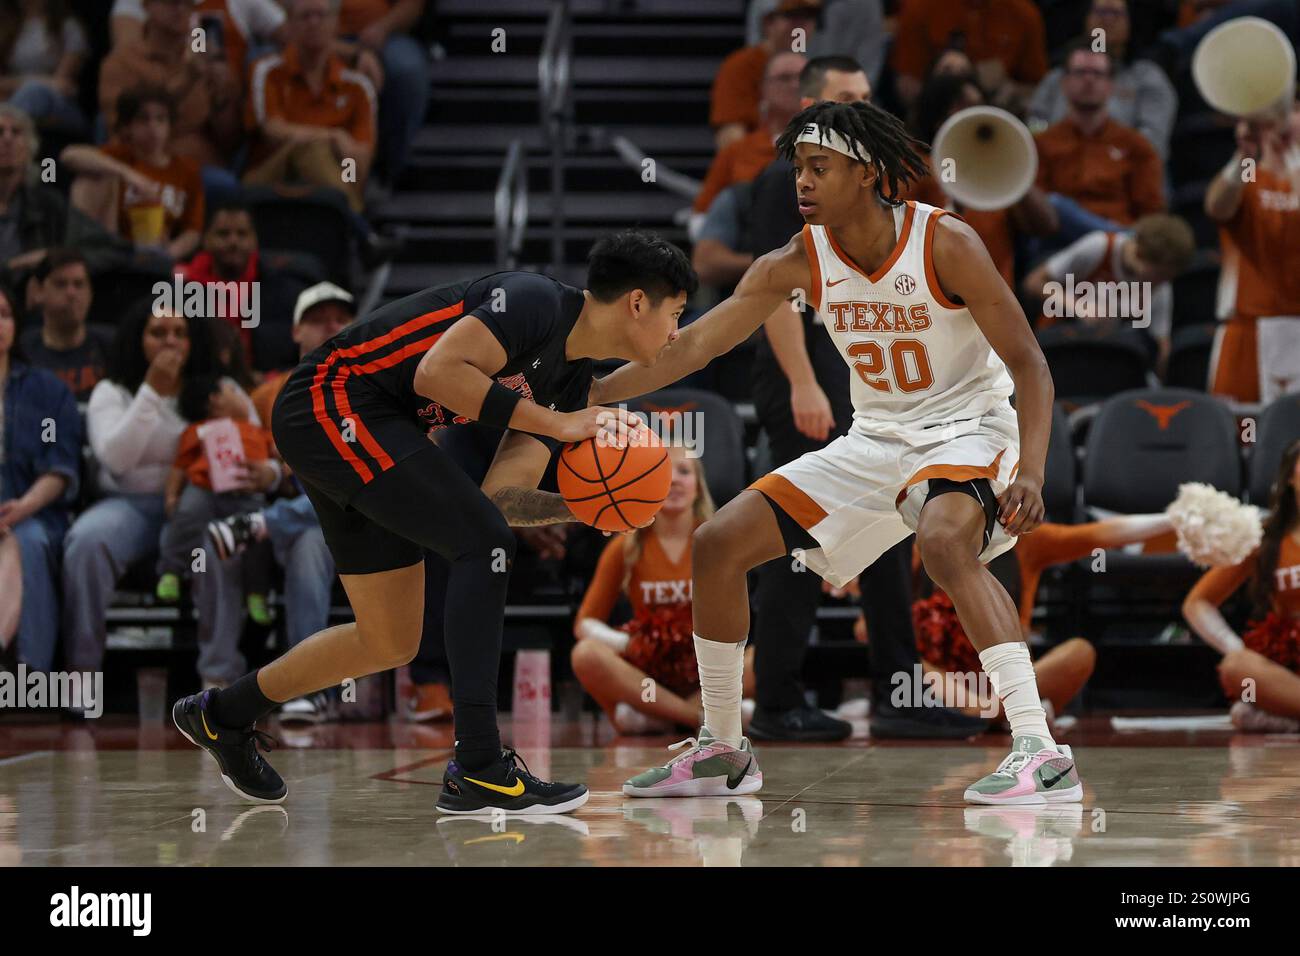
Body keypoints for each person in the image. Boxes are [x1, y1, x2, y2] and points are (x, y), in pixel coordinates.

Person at [594, 99, 1079, 805]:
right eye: (798, 168)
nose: (803, 182)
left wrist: (1031, 470)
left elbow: (1031, 363)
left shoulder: (945, 243)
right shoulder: (798, 258)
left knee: (944, 542)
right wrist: (592, 393)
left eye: (820, 167)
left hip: (969, 429)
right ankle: (723, 749)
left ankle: (1039, 750)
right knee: (717, 542)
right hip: (876, 439)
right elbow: (696, 343)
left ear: (868, 173)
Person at [171, 230, 693, 814]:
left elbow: (500, 499)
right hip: (332, 401)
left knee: (389, 638)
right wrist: (559, 426)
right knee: (483, 546)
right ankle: (479, 765)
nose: (675, 334)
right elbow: (436, 374)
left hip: (369, 425)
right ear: (638, 302)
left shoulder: (569, 383)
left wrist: (585, 506)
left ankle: (222, 715)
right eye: (676, 315)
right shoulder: (531, 301)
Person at [745, 55, 982, 742]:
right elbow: (774, 298)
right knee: (792, 538)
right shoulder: (781, 183)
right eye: (846, 99)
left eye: (868, 98)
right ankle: (776, 701)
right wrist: (803, 384)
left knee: (889, 536)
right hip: (807, 380)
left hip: (865, 388)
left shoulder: (873, 193)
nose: (863, 111)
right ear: (809, 112)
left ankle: (897, 693)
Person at [61, 304, 250, 680]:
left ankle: (218, 680)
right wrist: (151, 392)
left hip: (200, 507)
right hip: (128, 505)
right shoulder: (111, 392)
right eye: (158, 332)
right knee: (86, 542)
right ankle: (82, 673)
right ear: (137, 339)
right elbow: (116, 459)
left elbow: (260, 450)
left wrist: (242, 417)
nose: (171, 342)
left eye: (180, 333)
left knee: (219, 550)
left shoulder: (221, 390)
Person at [206, 281, 351, 723]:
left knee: (339, 507)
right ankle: (237, 685)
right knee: (298, 541)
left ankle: (264, 523)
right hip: (300, 515)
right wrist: (274, 472)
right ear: (295, 332)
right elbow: (243, 463)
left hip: (361, 519)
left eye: (340, 318)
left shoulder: (375, 386)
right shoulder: (266, 396)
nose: (330, 326)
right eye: (317, 319)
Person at [572, 446, 757, 734]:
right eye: (662, 472)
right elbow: (585, 624)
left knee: (761, 656)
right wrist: (632, 645)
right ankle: (700, 721)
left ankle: (658, 718)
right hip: (649, 676)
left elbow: (736, 617)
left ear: (698, 487)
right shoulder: (626, 545)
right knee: (585, 654)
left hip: (707, 669)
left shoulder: (719, 542)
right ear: (646, 484)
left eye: (684, 471)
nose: (673, 480)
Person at [1184, 440, 1300, 733]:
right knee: (1236, 666)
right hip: (1291, 670)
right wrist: (1236, 647)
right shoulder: (1265, 539)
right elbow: (1198, 602)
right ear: (1290, 477)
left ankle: (1286, 718)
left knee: (1244, 713)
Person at [905, 70, 1058, 289]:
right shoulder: (911, 164)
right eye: (960, 107)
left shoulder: (997, 170)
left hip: (995, 303)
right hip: (929, 297)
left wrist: (1015, 176)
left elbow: (1047, 225)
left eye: (976, 105)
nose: (971, 114)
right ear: (937, 116)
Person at [0, 280, 80, 673]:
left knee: (28, 542)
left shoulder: (48, 391)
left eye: (3, 314)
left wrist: (21, 508)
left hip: (32, 512)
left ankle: (30, 673)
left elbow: (60, 468)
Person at [1204, 96, 1300, 404]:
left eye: (1292, 112)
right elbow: (1216, 208)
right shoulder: (1248, 175)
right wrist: (1242, 157)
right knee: (1238, 439)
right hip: (1246, 330)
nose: (1285, 121)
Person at [243, 0, 377, 214]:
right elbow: (272, 131)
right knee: (309, 149)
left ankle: (346, 211)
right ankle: (353, 219)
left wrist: (343, 159)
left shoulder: (357, 86)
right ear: (290, 25)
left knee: (342, 167)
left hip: (340, 175)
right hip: (270, 177)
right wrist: (332, 137)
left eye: (321, 15)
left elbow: (359, 165)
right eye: (305, 16)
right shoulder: (267, 72)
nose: (313, 23)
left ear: (335, 24)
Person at [1033, 43, 1166, 248]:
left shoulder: (1136, 145)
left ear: (1110, 85)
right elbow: (1036, 217)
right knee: (1054, 204)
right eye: (1080, 72)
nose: (1089, 79)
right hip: (1060, 245)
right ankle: (1116, 236)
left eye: (1097, 73)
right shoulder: (1041, 144)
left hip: (1116, 255)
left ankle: (1116, 238)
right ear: (1064, 83)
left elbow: (1151, 212)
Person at [1021, 213, 1196, 369]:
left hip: (1106, 358)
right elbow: (1033, 282)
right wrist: (1077, 305)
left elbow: (1161, 343)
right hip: (1061, 343)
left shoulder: (1161, 285)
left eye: (1166, 278)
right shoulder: (1099, 247)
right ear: (1140, 254)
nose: (1160, 284)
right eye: (1158, 275)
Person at [156, 374, 272, 604]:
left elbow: (280, 457)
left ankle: (257, 593)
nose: (244, 398)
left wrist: (278, 471)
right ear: (215, 399)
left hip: (247, 493)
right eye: (234, 391)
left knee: (259, 533)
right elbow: (180, 466)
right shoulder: (199, 430)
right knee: (186, 518)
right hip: (203, 489)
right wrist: (171, 495)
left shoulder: (259, 432)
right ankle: (172, 572)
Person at [63, 87, 205, 262]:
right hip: (117, 248)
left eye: (161, 119)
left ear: (170, 126)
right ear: (127, 127)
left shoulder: (187, 170)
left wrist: (169, 253)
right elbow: (69, 155)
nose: (153, 127)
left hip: (160, 254)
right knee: (92, 176)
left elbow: (193, 230)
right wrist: (128, 174)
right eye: (143, 119)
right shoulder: (120, 157)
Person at [1026, 0, 1177, 160]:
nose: (1107, 20)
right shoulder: (1056, 77)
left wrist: (1105, 159)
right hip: (1060, 169)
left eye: (1116, 13)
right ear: (1085, 19)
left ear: (1131, 22)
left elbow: (1152, 142)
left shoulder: (1148, 77)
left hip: (1127, 174)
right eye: (1099, 12)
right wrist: (1048, 145)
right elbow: (1036, 122)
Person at [694, 51, 806, 215]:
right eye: (784, 78)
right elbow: (703, 215)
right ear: (764, 88)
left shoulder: (833, 147)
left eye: (803, 78)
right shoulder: (736, 152)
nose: (795, 85)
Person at [890, 0, 1048, 112]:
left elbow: (1040, 90)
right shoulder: (919, 6)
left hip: (1001, 116)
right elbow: (907, 86)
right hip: (935, 122)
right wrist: (942, 87)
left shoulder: (1024, 13)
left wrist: (1012, 90)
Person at [710, 0, 820, 152]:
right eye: (792, 17)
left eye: (808, 17)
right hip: (759, 163)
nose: (800, 27)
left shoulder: (815, 68)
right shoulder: (742, 67)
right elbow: (730, 140)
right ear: (768, 23)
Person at [18, 248, 112, 402]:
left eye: (79, 284)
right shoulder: (22, 351)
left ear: (90, 293)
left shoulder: (113, 346)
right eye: (60, 284)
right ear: (38, 291)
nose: (71, 293)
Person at [0, 0, 89, 133]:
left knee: (33, 92)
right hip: (10, 99)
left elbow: (61, 86)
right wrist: (45, 81)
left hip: (59, 107)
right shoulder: (4, 25)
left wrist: (14, 83)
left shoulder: (68, 27)